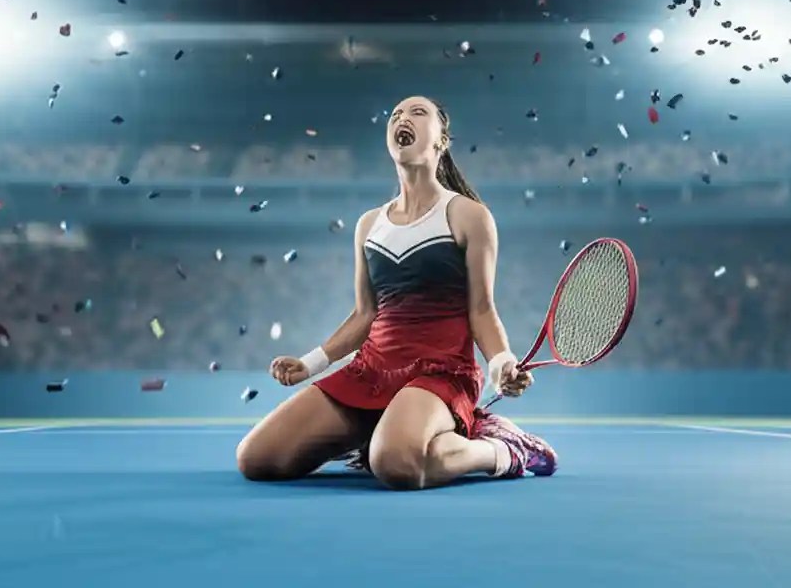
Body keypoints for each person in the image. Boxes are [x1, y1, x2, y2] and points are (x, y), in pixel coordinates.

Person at [236, 96, 557, 490]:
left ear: (441, 140)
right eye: (395, 115)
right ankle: (386, 431)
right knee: (257, 459)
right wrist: (310, 364)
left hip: (441, 373)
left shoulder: (469, 216)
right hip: (370, 371)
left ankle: (503, 450)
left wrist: (500, 363)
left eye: (417, 112)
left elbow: (482, 309)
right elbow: (364, 315)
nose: (402, 118)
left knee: (395, 465)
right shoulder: (368, 224)